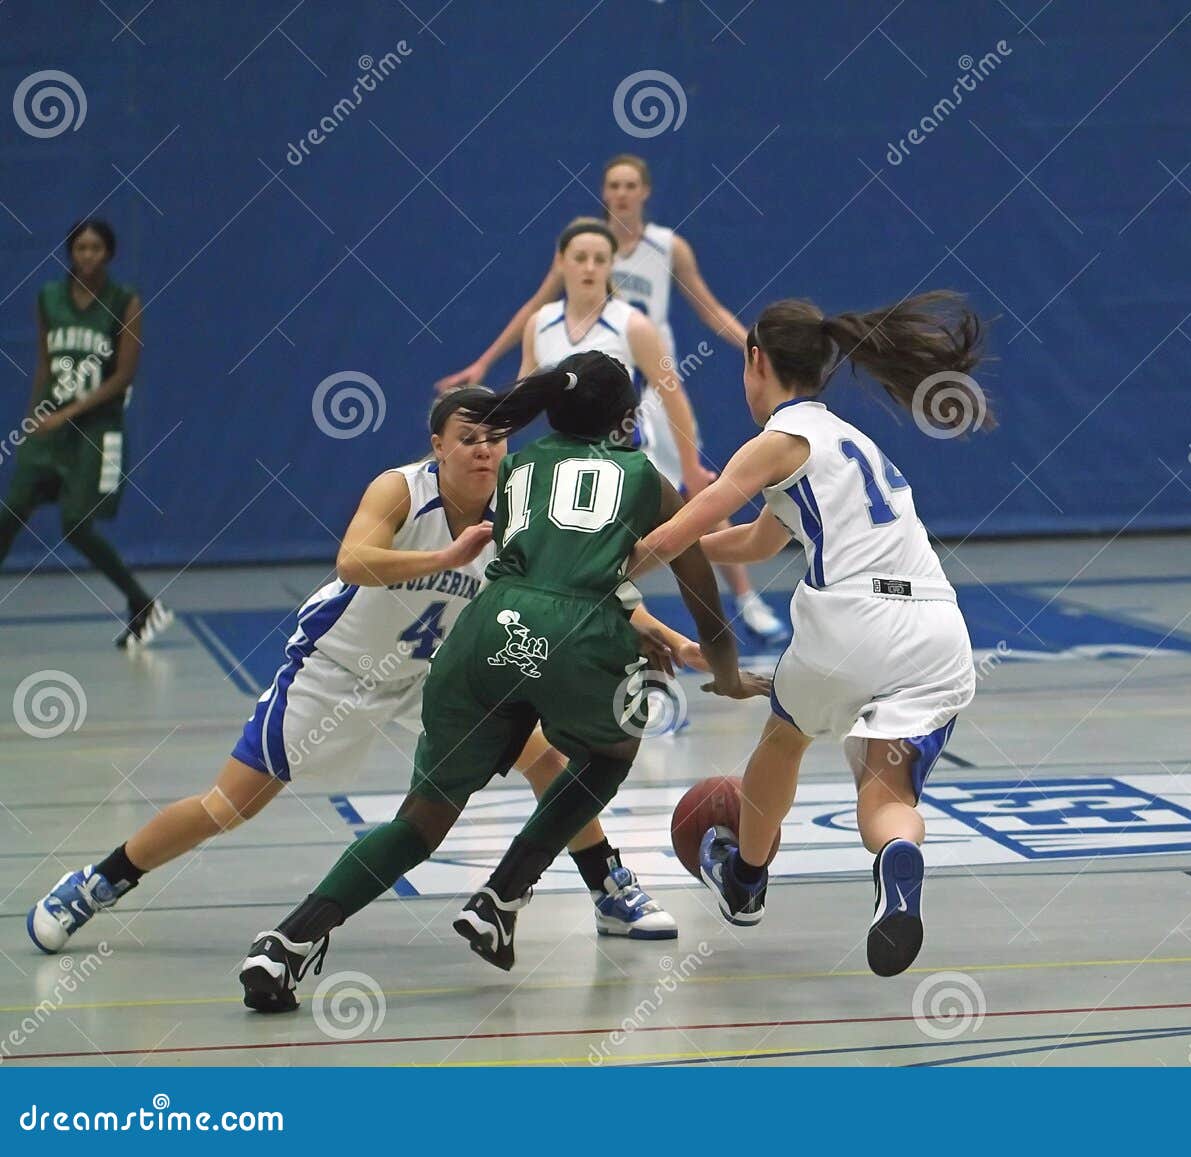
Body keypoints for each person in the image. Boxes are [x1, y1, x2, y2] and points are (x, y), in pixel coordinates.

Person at [28, 387, 689, 955]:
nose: (485, 449)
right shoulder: (401, 488)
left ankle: (608, 887)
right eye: (469, 438)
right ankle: (100, 879)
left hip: (440, 674)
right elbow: (352, 561)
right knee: (229, 805)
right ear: (438, 445)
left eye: (495, 438)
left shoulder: (518, 503)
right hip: (339, 669)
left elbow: (571, 586)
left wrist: (662, 633)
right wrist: (445, 558)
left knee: (545, 759)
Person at [240, 352, 768, 1011]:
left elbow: (552, 552)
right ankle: (502, 892)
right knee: (610, 750)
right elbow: (700, 591)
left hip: (486, 632)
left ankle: (289, 939)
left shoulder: (515, 467)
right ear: (623, 419)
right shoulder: (645, 476)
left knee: (422, 819)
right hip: (579, 635)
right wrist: (725, 671)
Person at [629, 292, 989, 978]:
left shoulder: (777, 441)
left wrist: (608, 562)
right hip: (936, 627)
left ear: (757, 362)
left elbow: (687, 525)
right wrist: (687, 546)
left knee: (785, 737)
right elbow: (755, 541)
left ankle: (746, 881)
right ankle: (899, 869)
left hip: (847, 623)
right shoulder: (850, 441)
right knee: (887, 800)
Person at [435, 157, 786, 642]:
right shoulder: (581, 250)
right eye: (613, 185)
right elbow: (532, 318)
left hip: (642, 402)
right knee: (604, 544)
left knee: (697, 498)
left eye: (630, 185)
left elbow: (708, 307)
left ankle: (740, 602)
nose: (621, 193)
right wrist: (484, 365)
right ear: (604, 192)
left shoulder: (663, 254)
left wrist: (755, 345)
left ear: (644, 191)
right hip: (583, 424)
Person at [0, 219, 170, 648]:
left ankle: (142, 602)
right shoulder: (49, 298)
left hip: (97, 429)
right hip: (50, 426)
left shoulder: (123, 301)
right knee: (9, 511)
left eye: (95, 248)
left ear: (108, 253)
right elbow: (43, 363)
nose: (87, 255)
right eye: (80, 247)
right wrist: (33, 416)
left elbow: (123, 376)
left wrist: (70, 412)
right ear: (70, 252)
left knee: (76, 524)